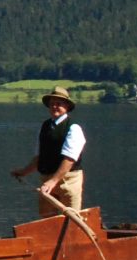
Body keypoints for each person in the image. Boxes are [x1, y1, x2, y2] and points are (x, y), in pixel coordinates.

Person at [12, 87, 85, 219]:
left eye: (58, 104)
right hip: (46, 181)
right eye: (52, 104)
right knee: (46, 221)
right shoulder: (45, 126)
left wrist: (53, 181)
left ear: (67, 106)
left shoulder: (73, 128)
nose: (54, 107)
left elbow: (69, 159)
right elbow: (40, 157)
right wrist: (23, 172)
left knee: (72, 219)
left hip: (68, 182)